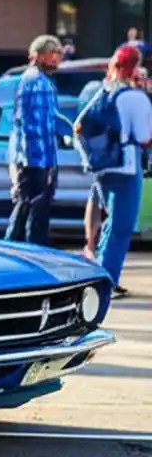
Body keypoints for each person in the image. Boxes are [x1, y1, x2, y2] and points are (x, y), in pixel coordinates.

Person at [74, 45, 151, 297]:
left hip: (104, 167)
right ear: (133, 67)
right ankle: (105, 281)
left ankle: (99, 272)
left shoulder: (101, 92)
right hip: (127, 167)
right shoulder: (134, 97)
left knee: (112, 223)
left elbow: (79, 126)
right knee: (122, 226)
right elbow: (144, 136)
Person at [5, 35, 64, 245]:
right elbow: (32, 127)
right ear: (37, 56)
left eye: (58, 54)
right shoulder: (36, 82)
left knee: (29, 212)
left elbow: (49, 123)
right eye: (52, 53)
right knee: (32, 216)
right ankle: (21, 258)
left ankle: (14, 254)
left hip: (37, 161)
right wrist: (43, 166)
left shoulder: (41, 81)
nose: (56, 58)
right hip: (34, 162)